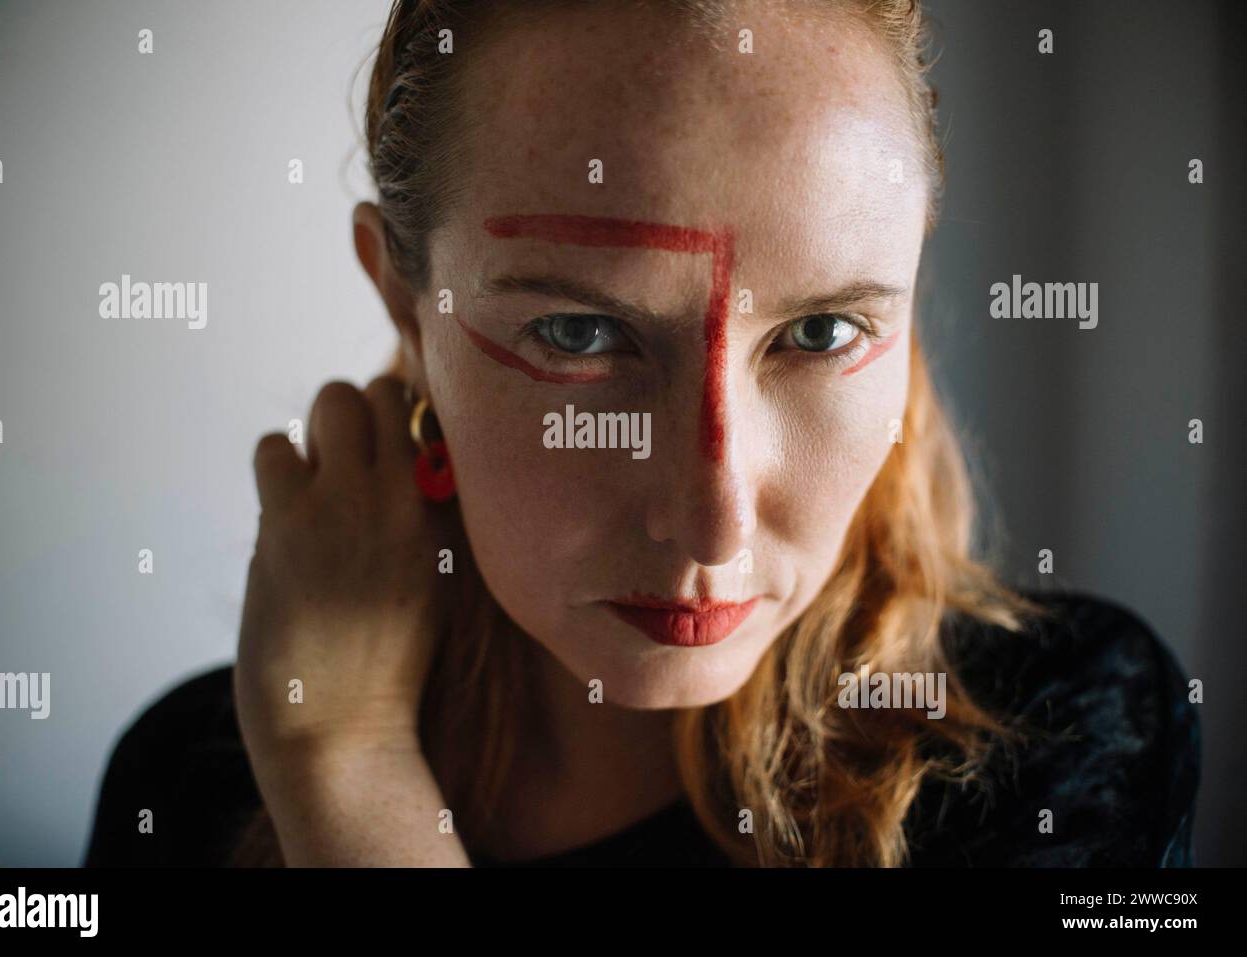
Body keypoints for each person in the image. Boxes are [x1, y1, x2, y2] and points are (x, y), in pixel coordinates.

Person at [84, 0, 1199, 868]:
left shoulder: (1055, 741)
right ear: (402, 306)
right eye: (579, 332)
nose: (712, 514)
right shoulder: (198, 778)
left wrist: (350, 779)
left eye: (818, 331)